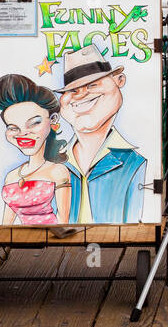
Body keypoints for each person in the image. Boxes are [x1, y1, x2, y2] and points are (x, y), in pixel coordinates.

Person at [55, 45, 148, 223]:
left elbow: (136, 218)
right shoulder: (53, 163)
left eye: (93, 84)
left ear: (119, 81)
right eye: (73, 90)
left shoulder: (134, 163)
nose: (81, 95)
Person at [0, 74, 72, 225]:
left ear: (52, 119)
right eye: (13, 128)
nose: (23, 134)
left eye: (34, 123)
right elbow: (6, 226)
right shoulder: (11, 176)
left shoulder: (57, 171)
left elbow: (63, 222)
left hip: (52, 240)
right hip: (20, 242)